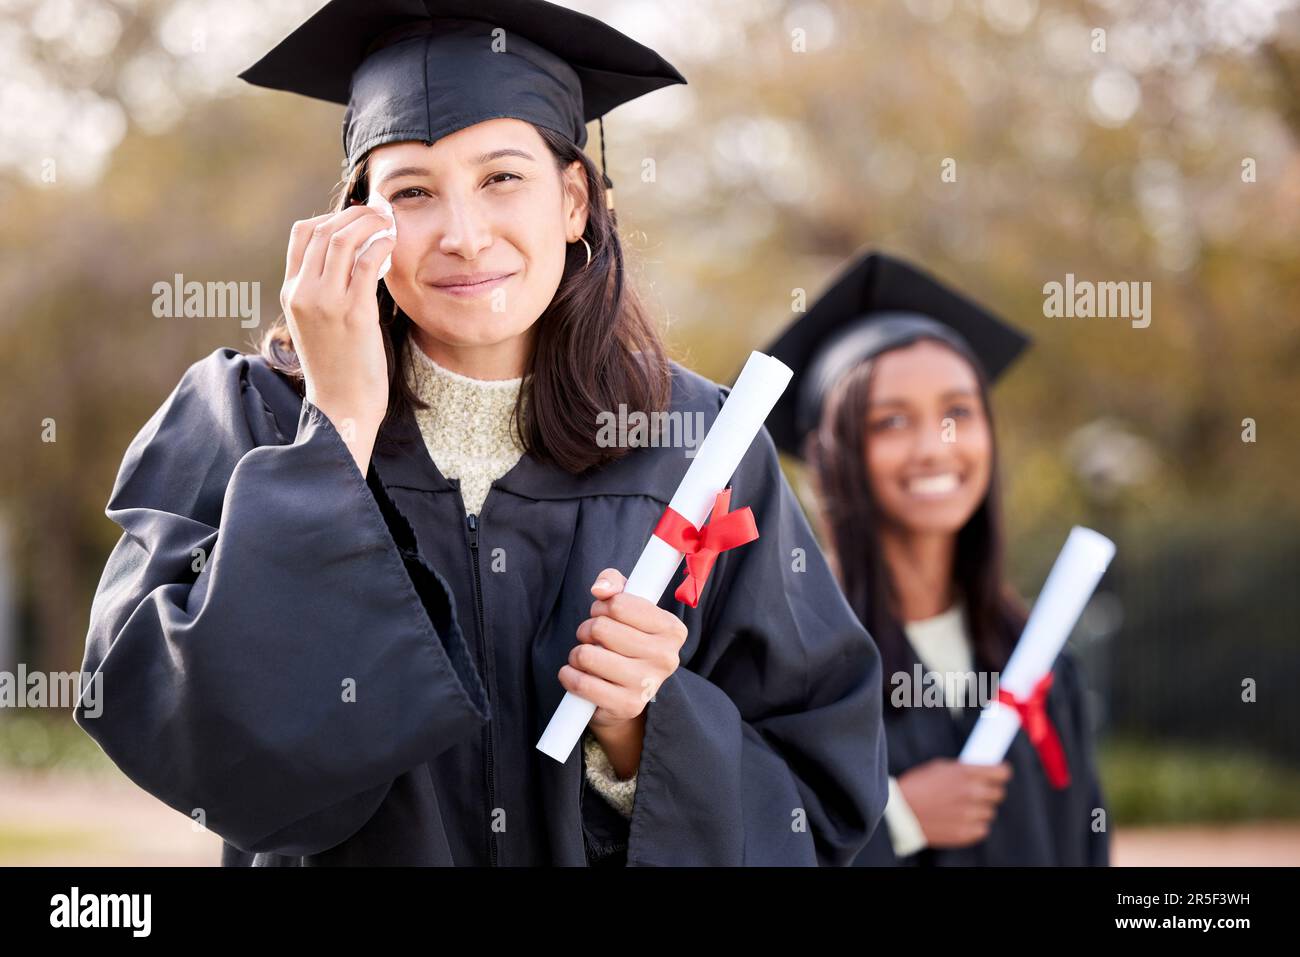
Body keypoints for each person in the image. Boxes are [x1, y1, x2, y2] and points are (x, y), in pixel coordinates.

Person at [72, 0, 887, 867]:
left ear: (574, 200)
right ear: (359, 222)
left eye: (503, 178)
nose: (463, 236)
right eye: (413, 192)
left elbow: (822, 797)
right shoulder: (247, 421)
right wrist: (336, 430)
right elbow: (190, 741)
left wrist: (648, 734)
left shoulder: (699, 448)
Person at [762, 250, 1109, 865]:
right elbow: (737, 840)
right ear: (831, 455)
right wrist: (894, 819)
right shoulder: (794, 668)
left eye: (958, 413)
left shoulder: (1041, 662)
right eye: (891, 421)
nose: (934, 447)